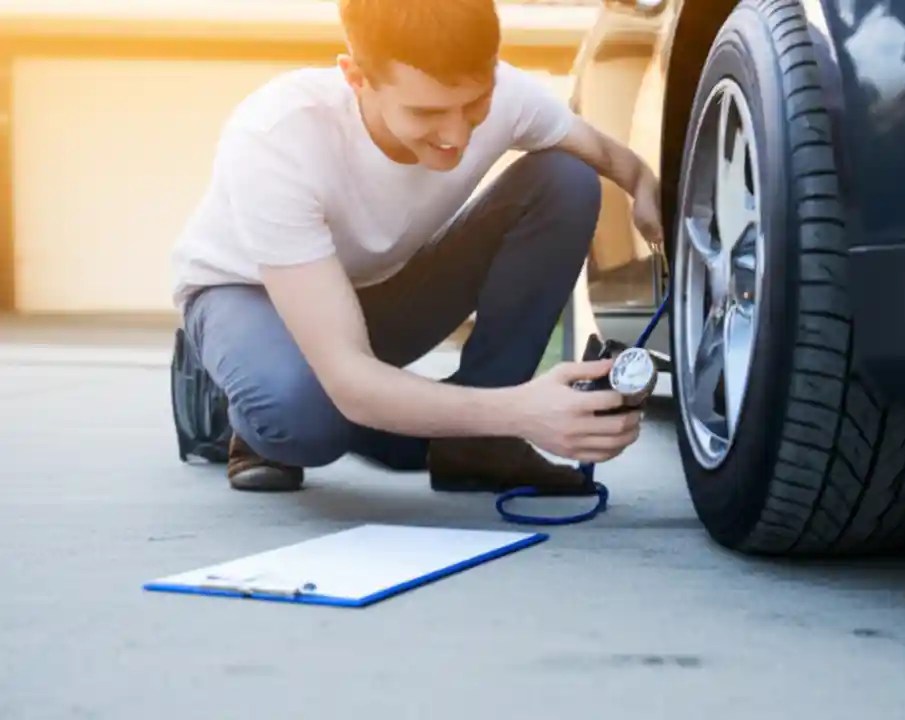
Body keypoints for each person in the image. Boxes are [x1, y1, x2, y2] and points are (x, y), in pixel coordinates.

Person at [170, 0, 664, 493]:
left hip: (376, 286)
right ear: (357, 78)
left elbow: (616, 161)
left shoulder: (507, 92)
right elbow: (350, 377)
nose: (456, 134)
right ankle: (233, 389)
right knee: (306, 421)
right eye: (427, 111)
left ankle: (478, 447)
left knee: (567, 181)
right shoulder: (277, 138)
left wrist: (648, 199)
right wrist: (524, 411)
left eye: (475, 105)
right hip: (250, 294)